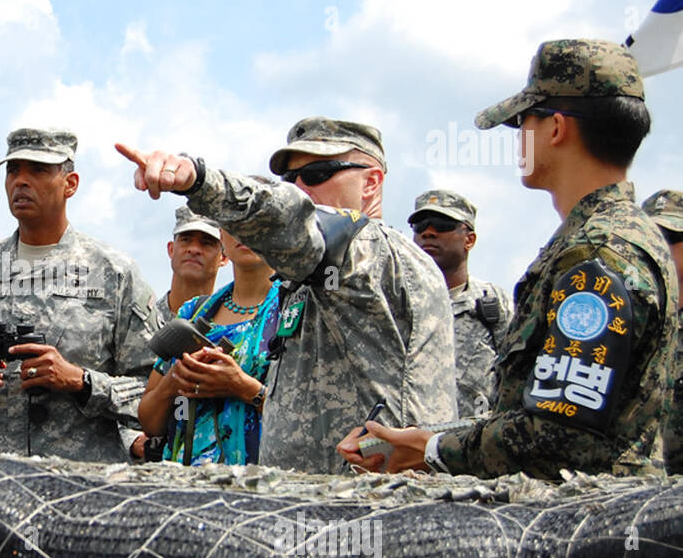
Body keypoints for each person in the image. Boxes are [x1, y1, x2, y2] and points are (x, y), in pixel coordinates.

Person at [340, 39, 678, 479]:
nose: (520, 137)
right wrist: (423, 441)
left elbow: (558, 436)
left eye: (524, 121)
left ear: (556, 128)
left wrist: (433, 450)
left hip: (580, 529)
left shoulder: (597, 255)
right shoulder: (621, 236)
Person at [116, 117, 457, 474]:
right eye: (289, 180)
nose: (298, 189)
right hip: (308, 504)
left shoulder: (370, 253)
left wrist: (199, 181)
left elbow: (291, 222)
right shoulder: (308, 280)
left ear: (371, 182)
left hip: (375, 506)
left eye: (317, 174)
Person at [0, 128, 160, 462]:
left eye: (38, 170)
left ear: (71, 184)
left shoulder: (114, 273)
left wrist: (82, 382)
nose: (21, 181)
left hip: (80, 487)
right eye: (13, 171)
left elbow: (154, 392)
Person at [138, 227, 279, 464]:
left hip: (259, 488)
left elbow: (312, 424)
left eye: (260, 220)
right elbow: (151, 422)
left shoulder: (297, 312)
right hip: (183, 485)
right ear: (224, 234)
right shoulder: (194, 312)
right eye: (236, 219)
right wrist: (173, 383)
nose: (248, 228)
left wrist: (244, 388)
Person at [408, 189, 513, 417]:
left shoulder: (493, 304)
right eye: (420, 226)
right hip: (407, 444)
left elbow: (520, 375)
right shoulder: (399, 302)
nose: (428, 232)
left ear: (470, 239)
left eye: (442, 224)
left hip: (470, 443)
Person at [641, 189, 683, 474]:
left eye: (671, 239)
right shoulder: (633, 322)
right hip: (633, 501)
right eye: (653, 240)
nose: (661, 250)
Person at [157, 206, 226, 326]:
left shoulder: (227, 328)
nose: (194, 249)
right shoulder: (142, 321)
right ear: (171, 249)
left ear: (224, 257)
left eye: (207, 243)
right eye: (186, 239)